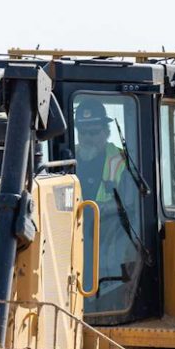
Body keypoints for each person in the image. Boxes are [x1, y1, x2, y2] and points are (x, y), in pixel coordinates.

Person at [72, 99, 142, 307]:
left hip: (109, 238)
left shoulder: (120, 161)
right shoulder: (67, 158)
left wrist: (101, 208)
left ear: (106, 132)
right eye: (83, 132)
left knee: (103, 294)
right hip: (75, 235)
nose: (88, 138)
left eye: (93, 132)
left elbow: (131, 205)